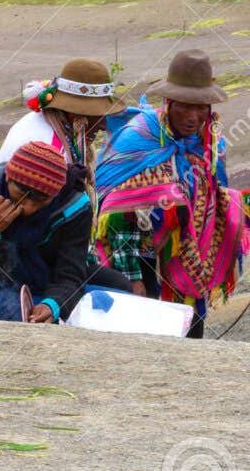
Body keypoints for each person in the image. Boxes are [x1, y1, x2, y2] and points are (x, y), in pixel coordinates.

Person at [91, 49, 246, 339]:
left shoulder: (211, 143)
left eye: (201, 107)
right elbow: (115, 213)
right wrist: (132, 279)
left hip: (189, 262)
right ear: (169, 101)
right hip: (139, 260)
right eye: (185, 106)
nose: (194, 116)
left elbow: (214, 194)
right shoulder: (138, 139)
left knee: (190, 337)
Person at [0, 141, 97, 323]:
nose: (28, 208)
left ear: (55, 194)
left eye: (40, 201)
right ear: (7, 178)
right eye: (20, 195)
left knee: (119, 286)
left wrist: (54, 304)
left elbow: (71, 273)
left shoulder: (73, 206)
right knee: (8, 312)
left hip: (50, 281)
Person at [0, 58, 128, 193]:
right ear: (76, 113)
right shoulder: (47, 148)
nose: (103, 125)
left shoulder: (49, 124)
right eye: (97, 115)